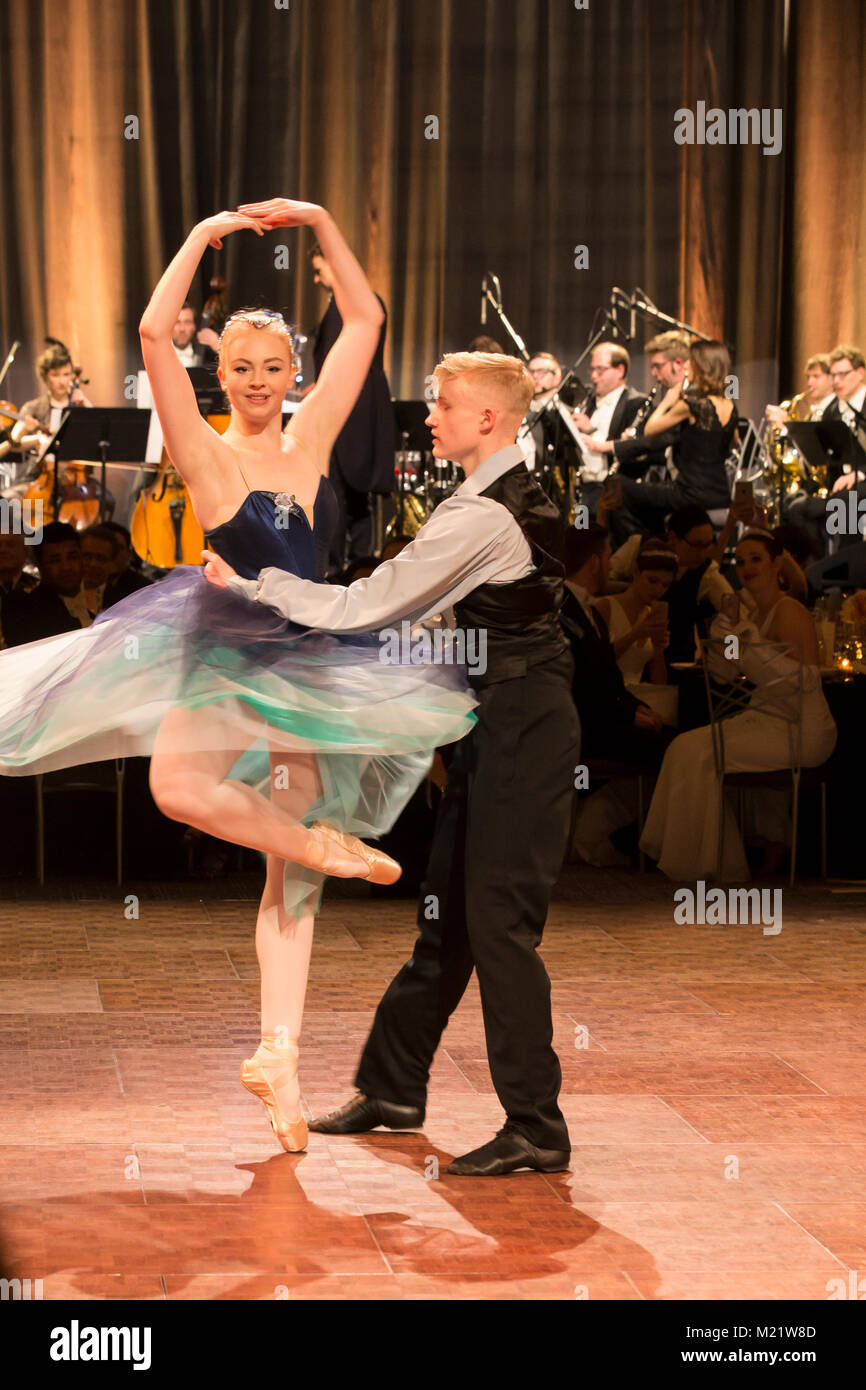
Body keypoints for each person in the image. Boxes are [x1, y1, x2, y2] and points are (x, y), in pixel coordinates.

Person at [0, 198, 476, 1157]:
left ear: (292, 374)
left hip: (311, 659)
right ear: (221, 374)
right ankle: (325, 847)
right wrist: (203, 237)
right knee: (183, 789)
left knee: (287, 885)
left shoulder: (310, 444)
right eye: (242, 368)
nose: (258, 382)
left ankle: (280, 1058)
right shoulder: (205, 450)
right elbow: (148, 331)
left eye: (273, 368)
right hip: (224, 651)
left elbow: (369, 321)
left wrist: (317, 219)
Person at [204, 349, 581, 1177]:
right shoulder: (491, 496)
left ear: (488, 419)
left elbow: (373, 603)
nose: (429, 415)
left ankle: (537, 1126)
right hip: (502, 720)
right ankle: (395, 1086)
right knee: (446, 910)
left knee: (498, 926)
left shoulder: (482, 515)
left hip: (525, 724)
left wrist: (254, 587)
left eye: (442, 404)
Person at [640, 529, 837, 881]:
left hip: (801, 728)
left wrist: (744, 637)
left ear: (777, 563)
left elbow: (804, 680)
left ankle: (713, 864)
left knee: (699, 752)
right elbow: (726, 675)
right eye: (741, 561)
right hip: (767, 720)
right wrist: (723, 639)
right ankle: (702, 857)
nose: (746, 567)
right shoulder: (755, 615)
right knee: (683, 747)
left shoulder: (788, 610)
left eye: (755, 559)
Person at [310, 243, 395, 571]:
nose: (317, 279)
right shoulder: (349, 303)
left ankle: (350, 572)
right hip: (348, 411)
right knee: (344, 497)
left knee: (346, 496)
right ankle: (349, 570)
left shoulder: (357, 303)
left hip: (352, 415)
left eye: (320, 270)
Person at [606, 340, 736, 546]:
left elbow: (650, 429)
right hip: (720, 495)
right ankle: (659, 541)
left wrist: (669, 399)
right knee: (650, 499)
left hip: (689, 495)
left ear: (701, 366)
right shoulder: (729, 404)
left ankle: (635, 553)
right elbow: (732, 443)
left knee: (617, 487)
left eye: (690, 363)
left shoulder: (691, 405)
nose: (686, 368)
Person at [570, 342, 647, 517]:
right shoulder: (588, 402)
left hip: (612, 493)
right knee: (582, 535)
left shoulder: (636, 403)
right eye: (592, 370)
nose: (594, 377)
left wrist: (591, 430)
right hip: (585, 491)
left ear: (620, 370)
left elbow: (634, 449)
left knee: (608, 541)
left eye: (600, 370)